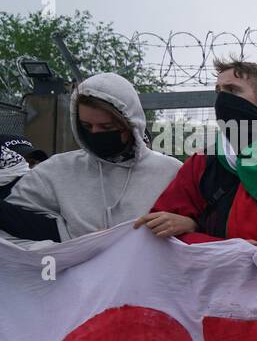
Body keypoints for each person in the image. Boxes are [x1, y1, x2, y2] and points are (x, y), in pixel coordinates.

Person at [135, 59, 257, 251]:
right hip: (216, 276)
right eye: (218, 91)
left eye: (232, 90)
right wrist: (207, 236)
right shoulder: (202, 162)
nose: (222, 99)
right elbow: (161, 229)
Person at [0, 73, 179, 242]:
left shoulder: (170, 172)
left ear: (131, 124)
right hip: (73, 272)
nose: (95, 133)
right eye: (86, 126)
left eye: (107, 127)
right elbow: (10, 230)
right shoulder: (57, 170)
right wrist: (71, 246)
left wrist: (189, 224)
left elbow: (197, 231)